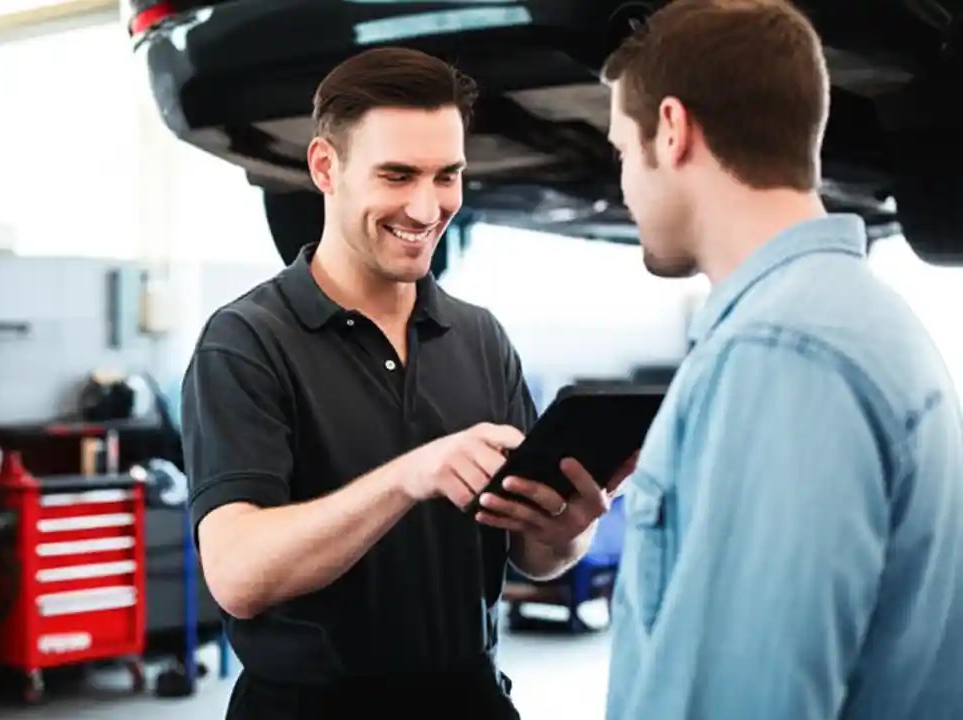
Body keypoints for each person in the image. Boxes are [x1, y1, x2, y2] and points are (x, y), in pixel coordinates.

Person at [180, 47, 631, 719]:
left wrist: (568, 529)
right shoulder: (247, 342)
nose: (426, 208)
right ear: (325, 168)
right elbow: (238, 576)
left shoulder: (480, 338)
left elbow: (534, 558)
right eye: (397, 175)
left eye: (447, 175)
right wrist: (406, 478)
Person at [600, 1, 963, 718]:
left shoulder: (780, 355)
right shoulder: (851, 319)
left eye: (621, 153)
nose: (624, 187)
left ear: (671, 130)